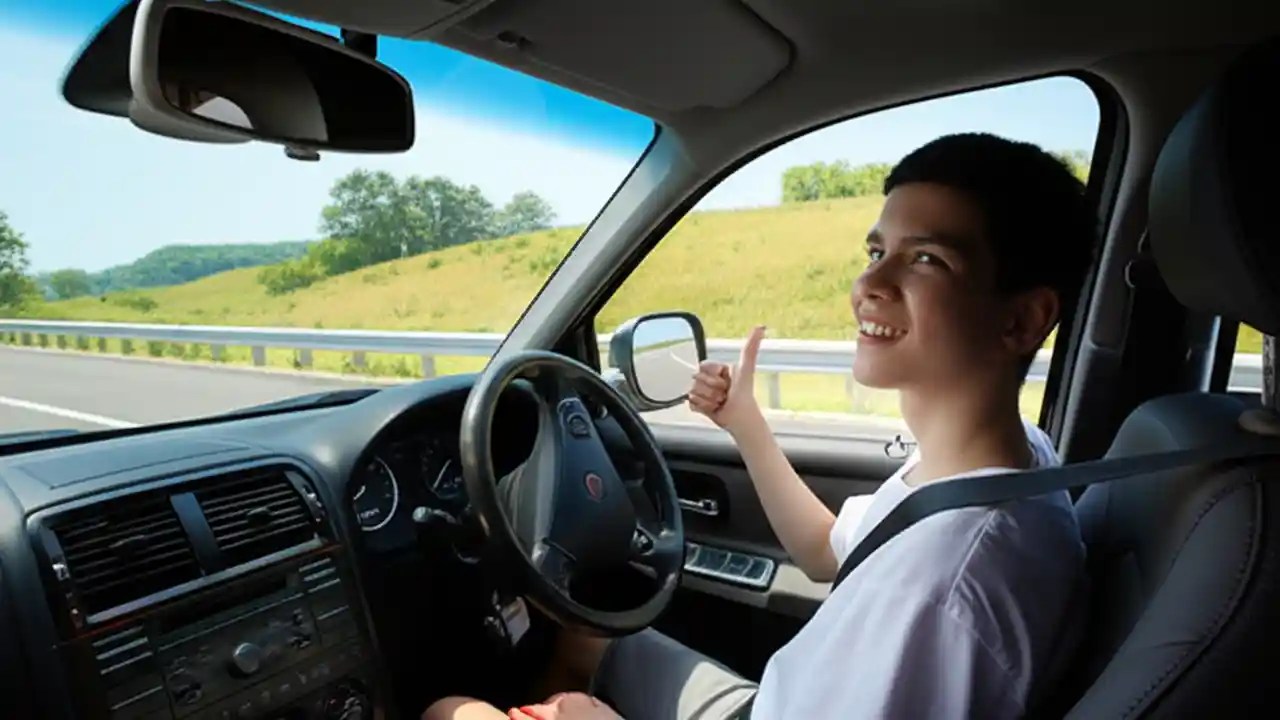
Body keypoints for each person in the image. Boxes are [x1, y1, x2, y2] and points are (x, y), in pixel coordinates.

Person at [424, 132, 1095, 720]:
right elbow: (825, 552)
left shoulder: (940, 589)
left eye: (927, 260)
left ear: (1023, 320)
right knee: (585, 633)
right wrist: (744, 424)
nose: (868, 286)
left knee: (448, 709)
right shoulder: (1001, 465)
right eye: (875, 252)